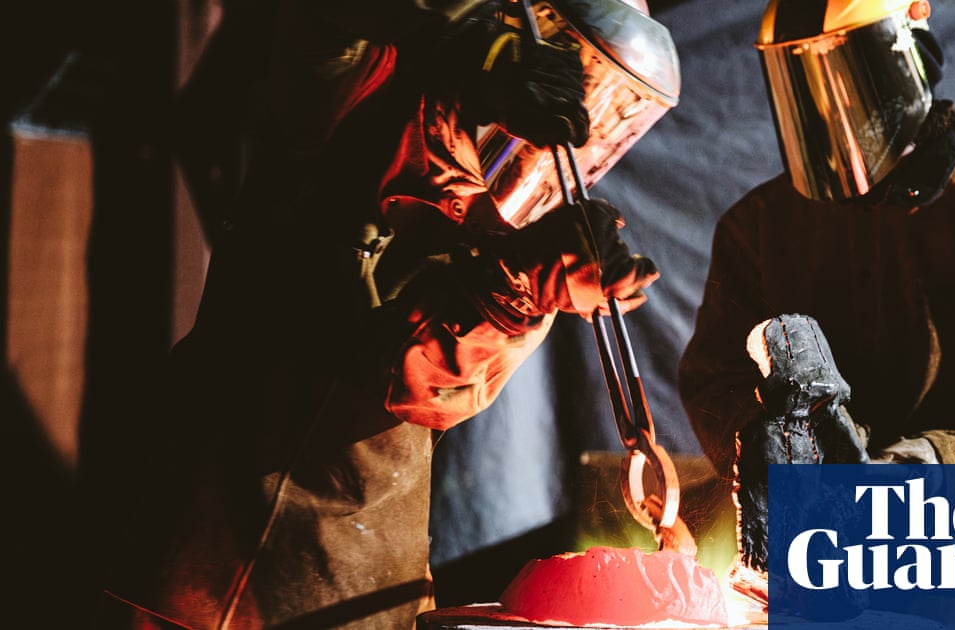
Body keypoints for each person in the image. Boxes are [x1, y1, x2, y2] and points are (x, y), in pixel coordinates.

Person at [94, 1, 659, 628]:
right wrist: (469, 47)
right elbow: (380, 363)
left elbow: (429, 383)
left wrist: (531, 286)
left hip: (355, 570)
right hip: (227, 564)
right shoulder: (355, 90)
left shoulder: (478, 214)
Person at [677, 0, 955, 628]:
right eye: (804, 87)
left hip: (951, 538)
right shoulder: (757, 225)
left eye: (844, 80)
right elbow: (715, 379)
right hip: (800, 530)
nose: (829, 111)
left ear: (906, 63)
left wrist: (921, 465)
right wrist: (768, 446)